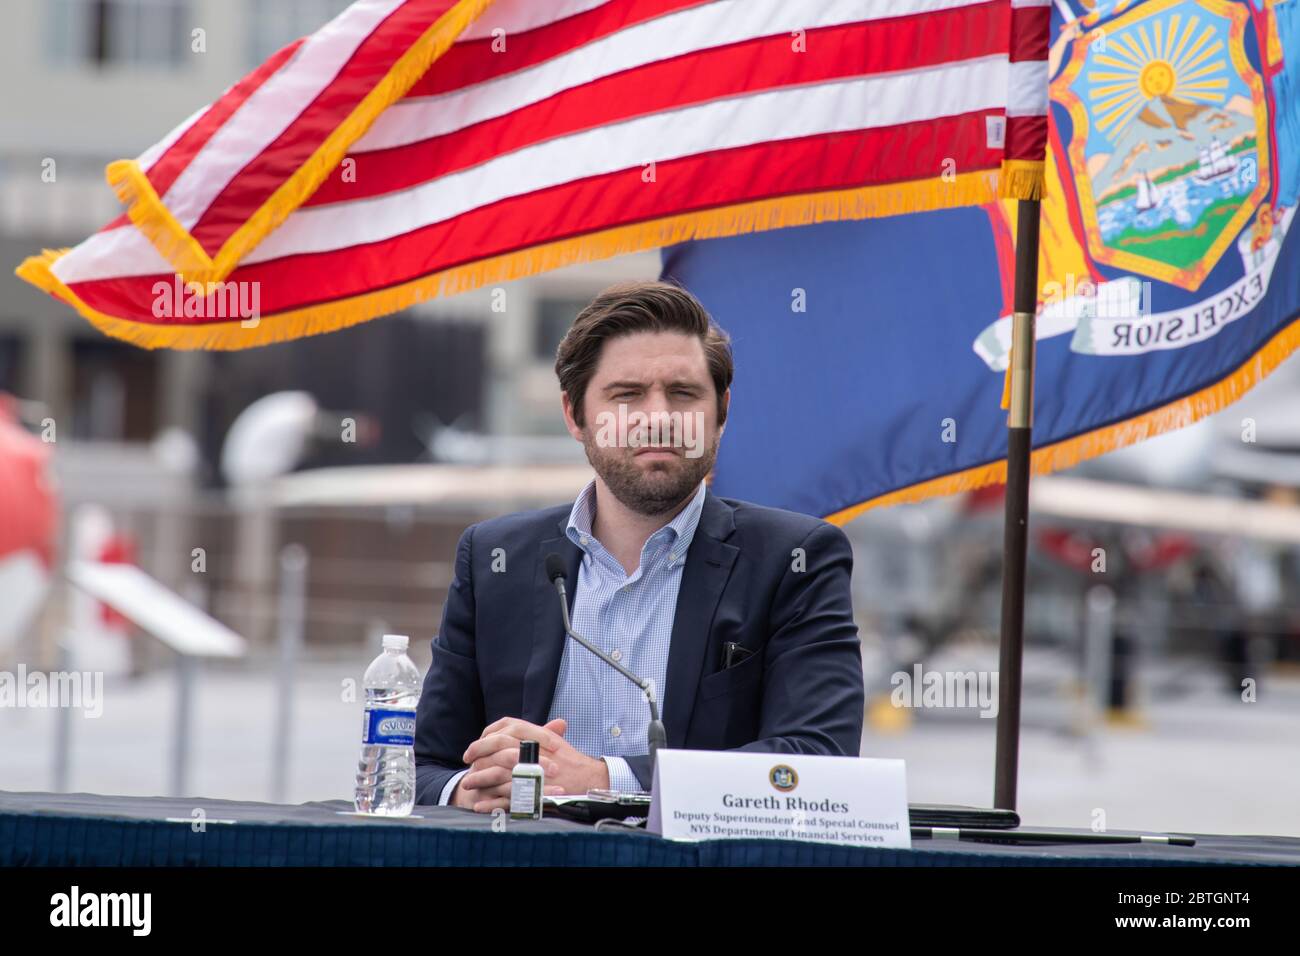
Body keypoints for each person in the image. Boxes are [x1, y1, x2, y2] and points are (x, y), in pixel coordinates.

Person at [413, 280, 864, 811]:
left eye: (683, 393)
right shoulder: (494, 559)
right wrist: (469, 789)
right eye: (626, 394)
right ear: (574, 415)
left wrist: (605, 777)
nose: (658, 417)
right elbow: (421, 766)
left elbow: (817, 760)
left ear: (721, 411)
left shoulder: (798, 559)